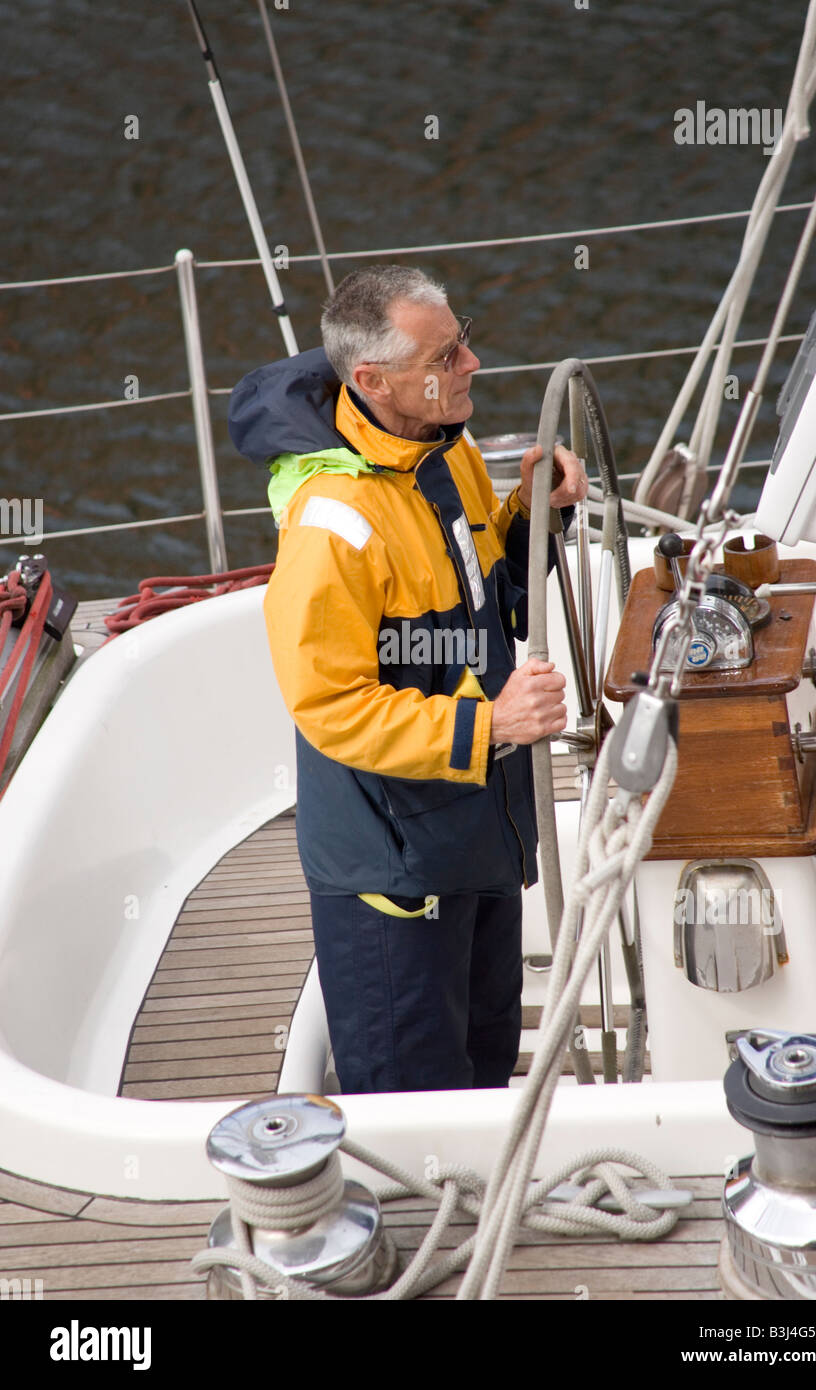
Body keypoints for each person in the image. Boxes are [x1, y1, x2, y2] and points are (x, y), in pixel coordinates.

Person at [228, 265, 587, 1094]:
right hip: (394, 875)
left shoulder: (443, 451)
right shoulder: (332, 527)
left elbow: (485, 597)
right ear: (373, 381)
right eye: (449, 353)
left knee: (489, 1064)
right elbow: (332, 710)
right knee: (415, 1105)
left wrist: (535, 512)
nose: (474, 363)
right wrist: (490, 727)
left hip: (475, 833)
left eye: (461, 339)